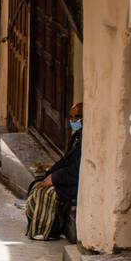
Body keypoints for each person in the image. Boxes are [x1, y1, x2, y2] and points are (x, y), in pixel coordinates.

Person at [25, 102, 83, 240]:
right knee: (37, 188)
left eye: (78, 117)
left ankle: (44, 231)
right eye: (71, 117)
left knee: (47, 193)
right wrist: (50, 174)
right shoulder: (76, 137)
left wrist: (55, 178)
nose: (74, 121)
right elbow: (65, 161)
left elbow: (76, 169)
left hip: (76, 183)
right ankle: (47, 226)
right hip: (67, 179)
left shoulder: (86, 140)